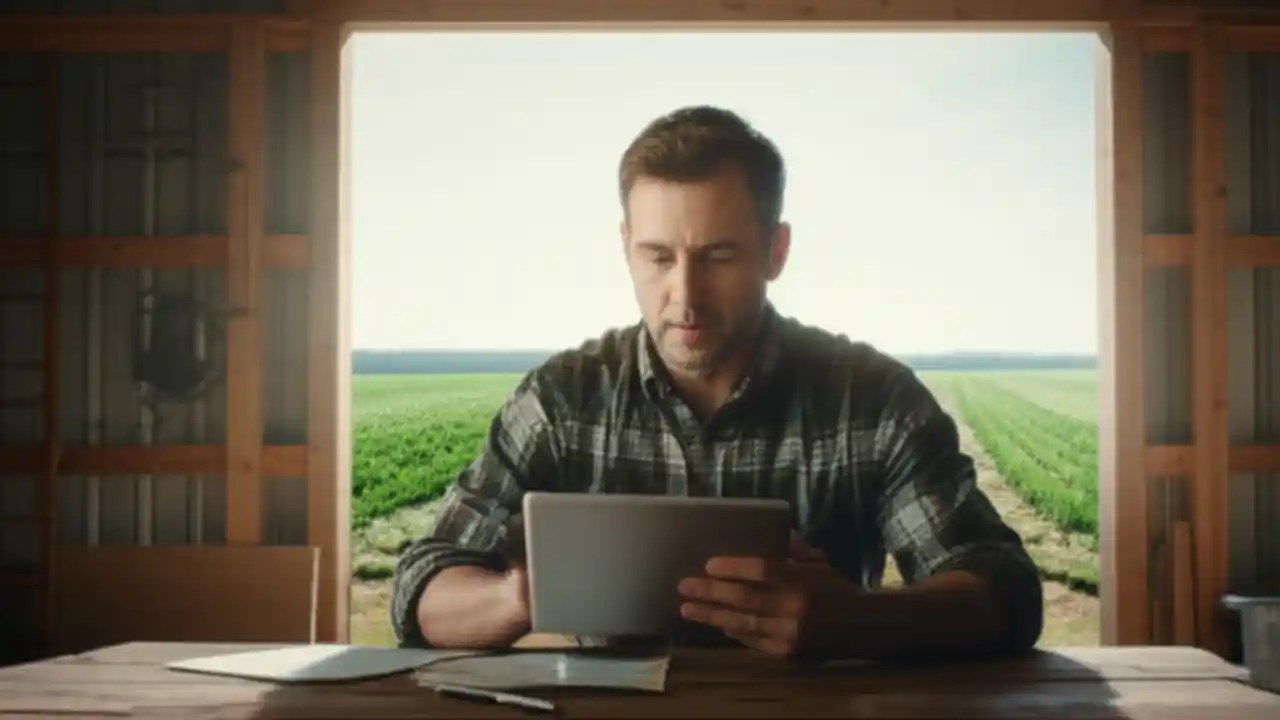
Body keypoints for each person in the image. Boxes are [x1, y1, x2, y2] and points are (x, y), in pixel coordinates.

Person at [391, 105, 1043, 660]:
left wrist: (856, 618)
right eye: (657, 257)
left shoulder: (873, 402)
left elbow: (1005, 588)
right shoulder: (560, 402)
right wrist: (519, 598)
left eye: (719, 257)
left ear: (776, 251)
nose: (685, 297)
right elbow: (421, 587)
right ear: (625, 248)